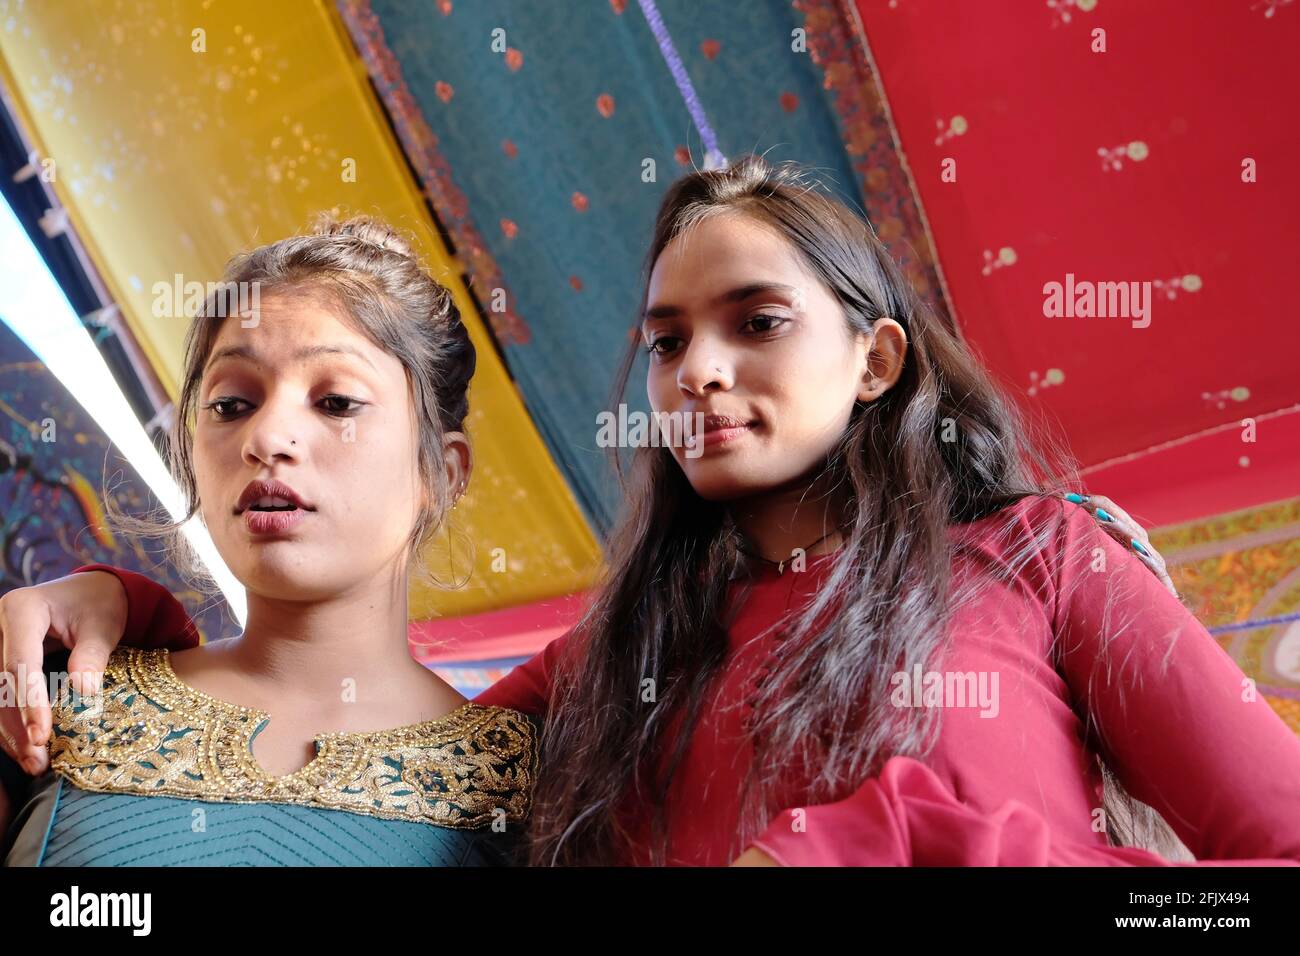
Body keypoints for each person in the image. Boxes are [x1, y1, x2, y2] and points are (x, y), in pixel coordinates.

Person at [8, 157, 1298, 866]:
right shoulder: (612, 662)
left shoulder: (1039, 559)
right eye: (668, 339)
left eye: (758, 321)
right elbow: (334, 715)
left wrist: (924, 844)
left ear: (878, 358)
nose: (701, 372)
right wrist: (116, 607)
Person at [0, 215, 537, 866]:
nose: (266, 439)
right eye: (232, 404)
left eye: (336, 402)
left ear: (440, 473)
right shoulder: (54, 698)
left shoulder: (530, 785)